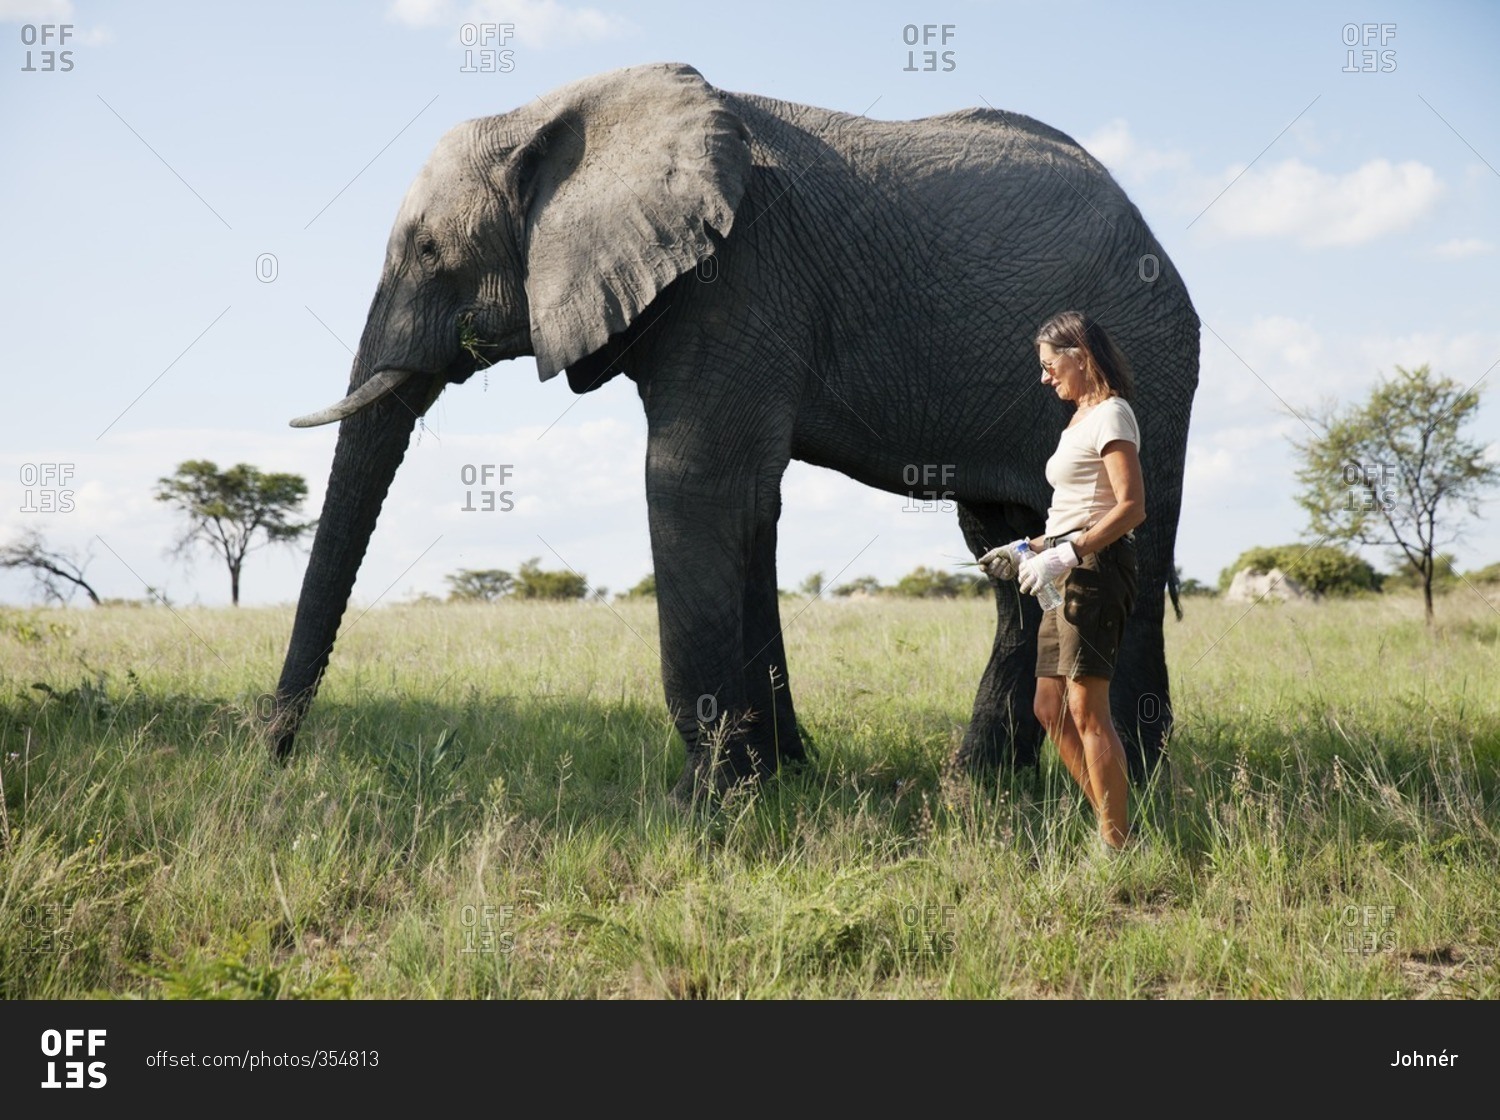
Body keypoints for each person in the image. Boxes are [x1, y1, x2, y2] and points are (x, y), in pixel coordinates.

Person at [980, 310, 1146, 853]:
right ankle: (1114, 826)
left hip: (1095, 569)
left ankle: (1117, 847)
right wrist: (1030, 547)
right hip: (1061, 565)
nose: (1045, 377)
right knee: (1049, 710)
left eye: (1052, 366)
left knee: (1087, 710)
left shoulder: (1112, 414)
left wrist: (1069, 551)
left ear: (1082, 357)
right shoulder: (1078, 419)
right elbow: (1077, 507)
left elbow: (1129, 508)